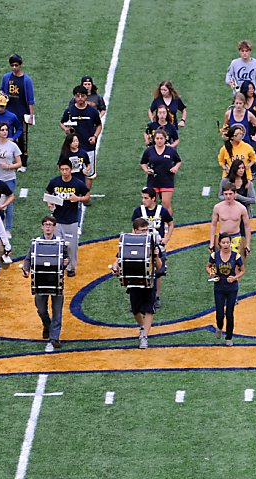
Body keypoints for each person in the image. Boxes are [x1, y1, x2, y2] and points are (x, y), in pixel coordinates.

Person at [110, 217, 161, 349]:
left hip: (148, 278)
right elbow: (118, 258)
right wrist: (115, 268)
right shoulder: (128, 242)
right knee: (135, 310)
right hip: (133, 279)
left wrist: (155, 255)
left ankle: (144, 336)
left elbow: (160, 266)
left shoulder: (152, 242)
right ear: (134, 230)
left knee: (149, 309)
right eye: (141, 230)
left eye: (146, 230)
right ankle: (143, 327)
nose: (145, 233)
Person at [21, 215, 68, 352]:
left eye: (50, 224)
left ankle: (55, 337)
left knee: (57, 311)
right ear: (42, 226)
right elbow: (28, 258)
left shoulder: (60, 243)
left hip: (56, 281)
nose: (48, 227)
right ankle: (47, 325)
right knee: (41, 309)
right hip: (40, 281)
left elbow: (65, 259)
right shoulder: (36, 243)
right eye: (46, 224)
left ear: (54, 227)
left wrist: (66, 263)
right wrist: (26, 270)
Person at [44, 160, 89, 277]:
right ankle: (57, 266)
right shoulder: (54, 182)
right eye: (62, 170)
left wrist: (78, 199)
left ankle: (71, 268)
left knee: (71, 247)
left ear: (71, 169)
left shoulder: (77, 183)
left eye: (67, 169)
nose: (64, 172)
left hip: (71, 220)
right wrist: (49, 202)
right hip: (57, 220)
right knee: (56, 244)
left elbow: (87, 196)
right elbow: (48, 193)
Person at [134, 187, 174, 305]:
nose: (143, 200)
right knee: (141, 271)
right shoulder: (138, 211)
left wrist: (166, 238)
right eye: (142, 197)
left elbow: (171, 224)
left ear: (153, 198)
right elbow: (134, 227)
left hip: (157, 246)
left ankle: (156, 296)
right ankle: (141, 297)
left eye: (146, 198)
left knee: (158, 272)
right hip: (142, 246)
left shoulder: (162, 211)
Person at [60, 85, 102, 191]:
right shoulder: (69, 111)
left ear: (86, 96)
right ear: (74, 96)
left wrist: (95, 136)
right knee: (73, 170)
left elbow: (99, 125)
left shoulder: (92, 111)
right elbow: (62, 122)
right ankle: (74, 191)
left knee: (89, 171)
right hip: (72, 147)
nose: (80, 98)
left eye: (82, 96)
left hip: (88, 146)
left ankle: (86, 194)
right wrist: (65, 129)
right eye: (77, 96)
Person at [207, 233, 245, 346]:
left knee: (229, 313)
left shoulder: (236, 256)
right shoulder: (215, 256)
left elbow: (243, 270)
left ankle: (229, 337)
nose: (225, 245)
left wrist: (235, 278)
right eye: (223, 242)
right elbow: (208, 266)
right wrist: (211, 274)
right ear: (219, 244)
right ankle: (219, 327)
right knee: (219, 314)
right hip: (219, 287)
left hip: (232, 288)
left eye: (227, 242)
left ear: (230, 243)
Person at [0, 54, 34, 171]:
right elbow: (1, 90)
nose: (14, 67)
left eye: (16, 65)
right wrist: (3, 96)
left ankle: (23, 163)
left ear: (21, 65)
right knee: (7, 136)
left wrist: (31, 115)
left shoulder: (26, 80)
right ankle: (9, 160)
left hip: (22, 114)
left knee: (22, 139)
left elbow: (30, 99)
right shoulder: (6, 77)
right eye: (12, 65)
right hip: (8, 113)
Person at [141, 129, 182, 219]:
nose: (159, 140)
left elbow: (178, 161)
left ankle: (168, 223)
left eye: (161, 138)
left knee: (166, 203)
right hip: (153, 180)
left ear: (165, 139)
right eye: (157, 138)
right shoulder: (149, 150)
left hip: (167, 180)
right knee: (151, 204)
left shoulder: (171, 150)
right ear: (154, 139)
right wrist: (146, 170)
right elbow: (143, 162)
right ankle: (153, 223)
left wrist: (175, 167)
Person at [210, 184, 252, 257]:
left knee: (236, 263)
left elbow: (247, 227)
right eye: (226, 194)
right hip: (222, 238)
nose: (228, 196)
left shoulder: (241, 208)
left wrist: (247, 245)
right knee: (221, 263)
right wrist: (211, 243)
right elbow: (213, 225)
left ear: (235, 194)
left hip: (236, 238)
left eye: (230, 194)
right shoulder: (217, 207)